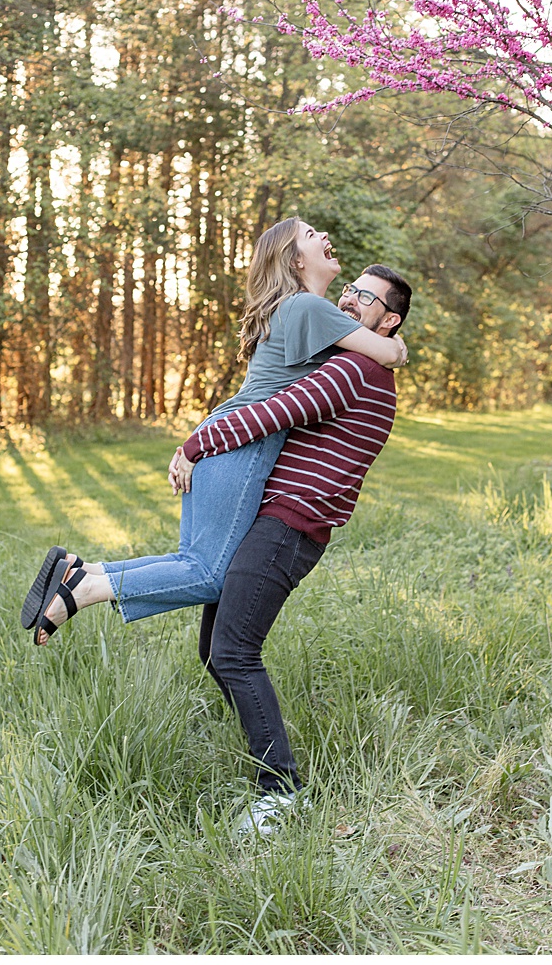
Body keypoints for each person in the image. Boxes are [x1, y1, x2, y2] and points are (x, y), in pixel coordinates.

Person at [21, 218, 406, 645]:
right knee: (209, 574)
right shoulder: (309, 308)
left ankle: (83, 572)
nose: (325, 237)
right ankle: (88, 590)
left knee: (194, 560)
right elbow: (388, 351)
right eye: (312, 235)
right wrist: (398, 341)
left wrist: (196, 444)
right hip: (243, 444)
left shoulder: (301, 310)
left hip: (224, 436)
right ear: (296, 259)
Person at [170, 265, 410, 834]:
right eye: (349, 289)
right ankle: (264, 746)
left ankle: (280, 789)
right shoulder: (357, 359)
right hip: (271, 521)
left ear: (390, 318)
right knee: (214, 649)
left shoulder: (357, 367)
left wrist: (194, 444)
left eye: (365, 298)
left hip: (290, 525)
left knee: (233, 651)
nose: (349, 301)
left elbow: (273, 413)